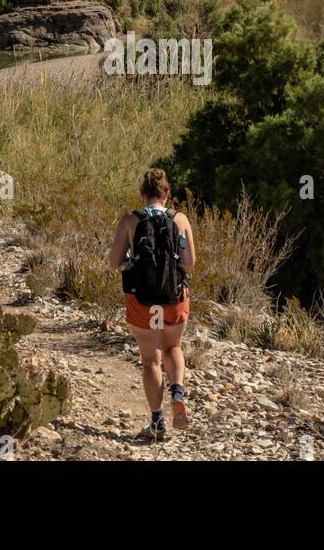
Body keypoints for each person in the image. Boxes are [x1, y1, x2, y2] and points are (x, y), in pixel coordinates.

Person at [108, 167, 196, 442]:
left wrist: (133, 265)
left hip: (142, 301)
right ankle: (178, 391)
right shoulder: (179, 219)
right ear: (167, 193)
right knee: (172, 347)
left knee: (150, 361)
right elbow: (190, 262)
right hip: (174, 298)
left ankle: (157, 422)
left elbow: (113, 263)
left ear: (142, 194)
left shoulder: (130, 221)